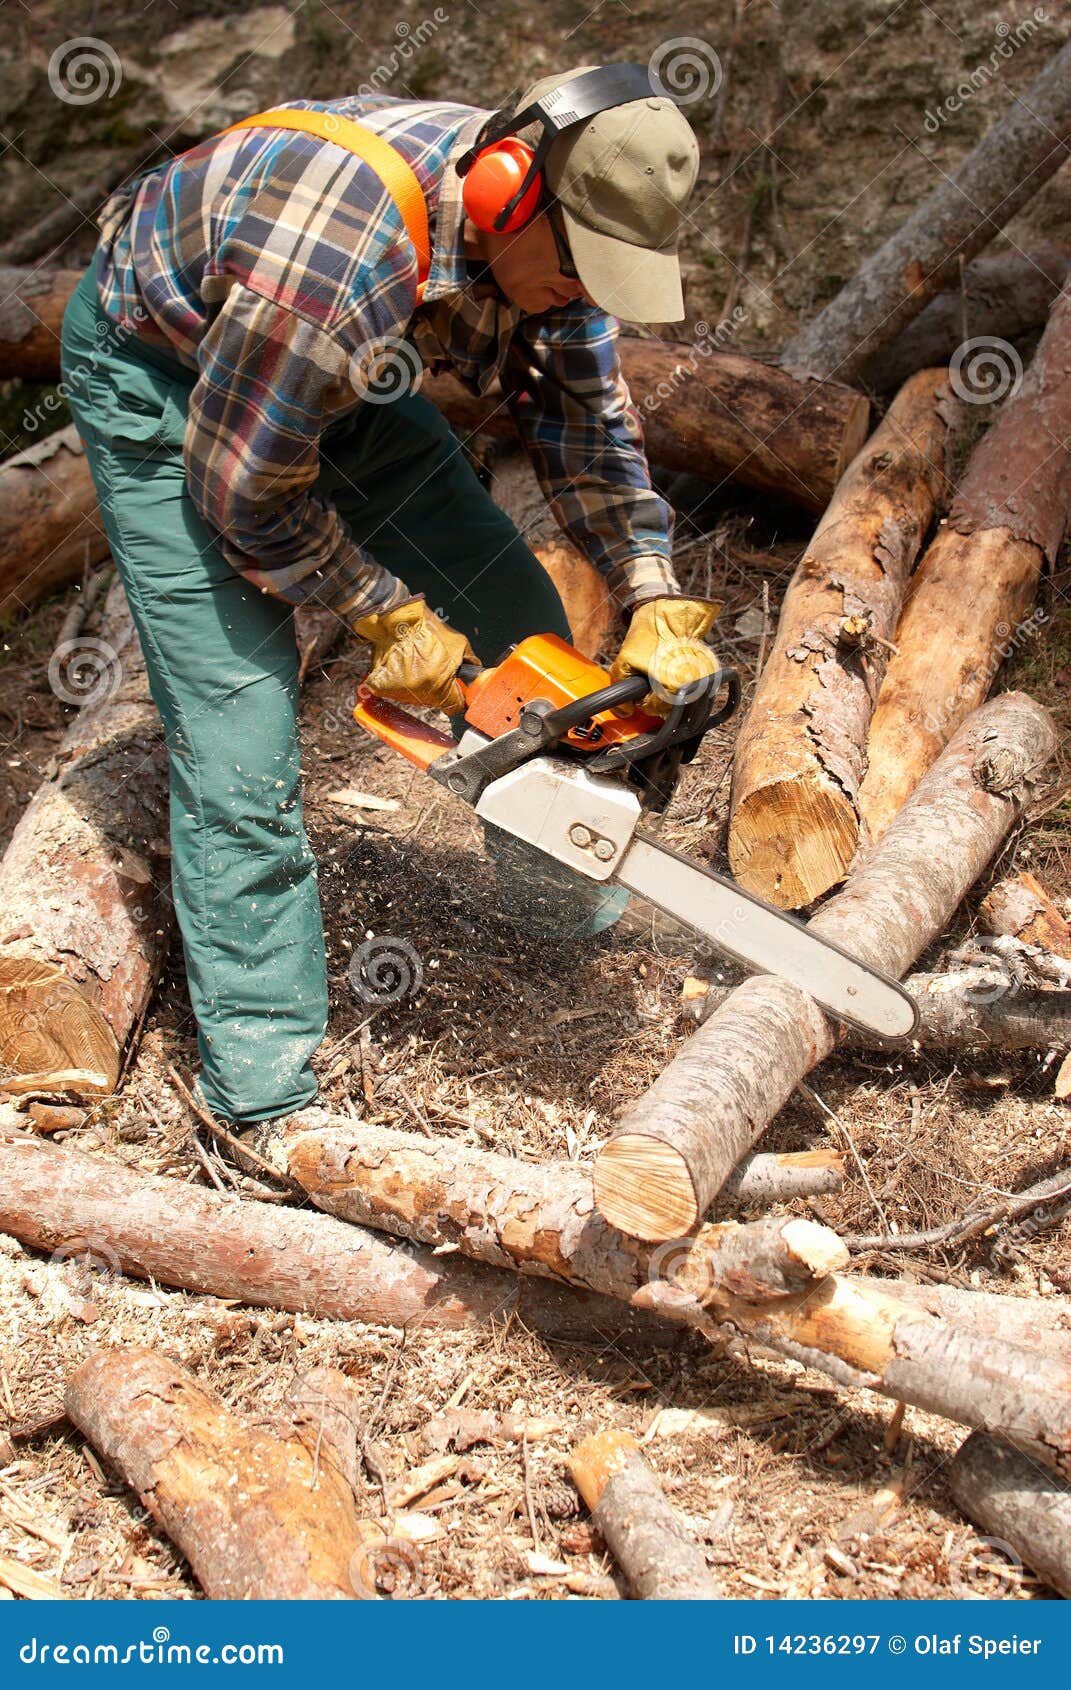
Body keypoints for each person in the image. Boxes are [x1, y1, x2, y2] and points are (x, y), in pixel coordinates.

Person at [60, 61, 723, 1135]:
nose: (588, 291)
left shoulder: (553, 250)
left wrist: (652, 590)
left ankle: (564, 915)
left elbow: (587, 429)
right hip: (171, 378)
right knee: (242, 731)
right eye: (580, 266)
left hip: (336, 372)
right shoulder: (343, 252)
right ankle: (265, 1099)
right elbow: (243, 487)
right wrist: (382, 610)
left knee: (525, 627)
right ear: (510, 187)